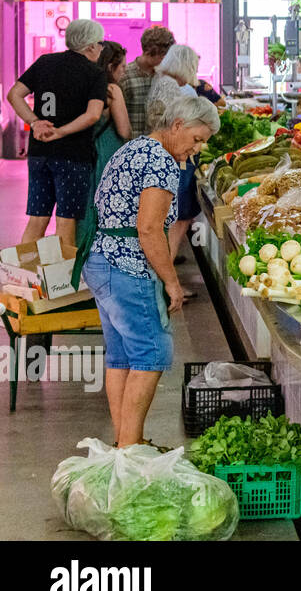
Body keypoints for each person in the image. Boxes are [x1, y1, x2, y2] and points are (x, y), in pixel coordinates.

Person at [78, 92, 218, 448]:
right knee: (152, 352)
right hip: (127, 266)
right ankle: (129, 449)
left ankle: (127, 444)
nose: (198, 149)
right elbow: (150, 228)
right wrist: (171, 282)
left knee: (122, 354)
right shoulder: (161, 162)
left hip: (101, 260)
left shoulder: (136, 148)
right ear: (177, 125)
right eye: (196, 138)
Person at [6, 19, 108, 250]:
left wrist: (35, 122)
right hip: (73, 155)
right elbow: (92, 115)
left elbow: (14, 94)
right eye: (100, 44)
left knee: (38, 217)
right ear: (91, 46)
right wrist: (60, 132)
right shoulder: (94, 73)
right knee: (66, 220)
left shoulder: (45, 62)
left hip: (39, 152)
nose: (102, 49)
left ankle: (24, 279)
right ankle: (64, 283)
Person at [72, 41, 133, 281]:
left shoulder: (82, 84)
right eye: (122, 67)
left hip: (85, 153)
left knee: (84, 210)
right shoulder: (111, 90)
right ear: (110, 66)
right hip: (107, 153)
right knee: (106, 210)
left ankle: (80, 267)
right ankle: (103, 267)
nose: (124, 72)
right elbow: (125, 130)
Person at [148, 45, 206, 263]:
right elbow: (176, 128)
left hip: (166, 156)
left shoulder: (162, 81)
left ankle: (165, 274)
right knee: (180, 215)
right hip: (173, 158)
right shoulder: (169, 86)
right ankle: (167, 276)